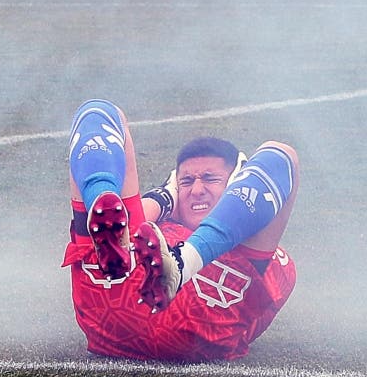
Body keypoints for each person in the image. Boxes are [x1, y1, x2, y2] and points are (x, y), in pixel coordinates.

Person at [60, 99, 299, 362]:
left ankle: (183, 262)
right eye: (185, 181)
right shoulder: (155, 232)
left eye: (210, 179)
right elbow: (124, 226)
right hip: (119, 279)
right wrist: (164, 198)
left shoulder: (254, 239)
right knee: (100, 111)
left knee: (281, 153)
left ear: (236, 183)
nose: (196, 190)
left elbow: (278, 174)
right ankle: (102, 192)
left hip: (190, 320)